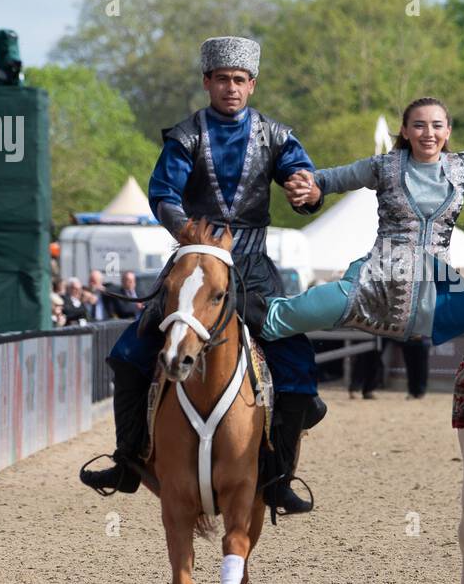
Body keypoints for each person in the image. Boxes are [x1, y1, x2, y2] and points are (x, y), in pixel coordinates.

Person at [79, 36, 325, 518]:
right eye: (221, 80)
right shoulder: (185, 136)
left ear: (251, 85)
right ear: (207, 82)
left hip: (253, 271)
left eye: (239, 80)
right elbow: (162, 193)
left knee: (296, 362)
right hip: (193, 266)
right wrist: (190, 233)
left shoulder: (278, 135)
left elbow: (304, 179)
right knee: (129, 354)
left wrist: (306, 193)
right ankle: (127, 460)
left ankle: (279, 478)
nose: (230, 87)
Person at [259, 98, 464, 345]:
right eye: (418, 125)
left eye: (436, 126)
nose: (428, 133)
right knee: (295, 312)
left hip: (441, 296)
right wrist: (307, 183)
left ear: (447, 132)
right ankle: (240, 323)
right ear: (405, 131)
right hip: (374, 285)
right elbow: (329, 179)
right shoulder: (383, 166)